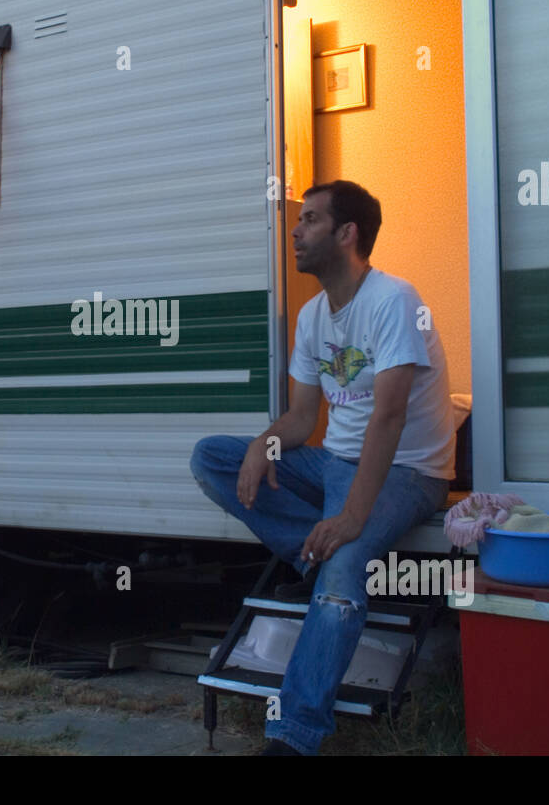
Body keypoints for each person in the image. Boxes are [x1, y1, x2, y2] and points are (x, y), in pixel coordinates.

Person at [189, 179, 455, 755]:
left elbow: (388, 417)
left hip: (408, 473)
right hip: (334, 461)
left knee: (342, 570)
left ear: (346, 233)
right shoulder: (313, 316)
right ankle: (313, 552)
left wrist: (353, 518)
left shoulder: (395, 301)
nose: (295, 229)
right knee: (213, 456)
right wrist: (265, 443)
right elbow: (304, 417)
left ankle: (295, 734)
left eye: (310, 219)